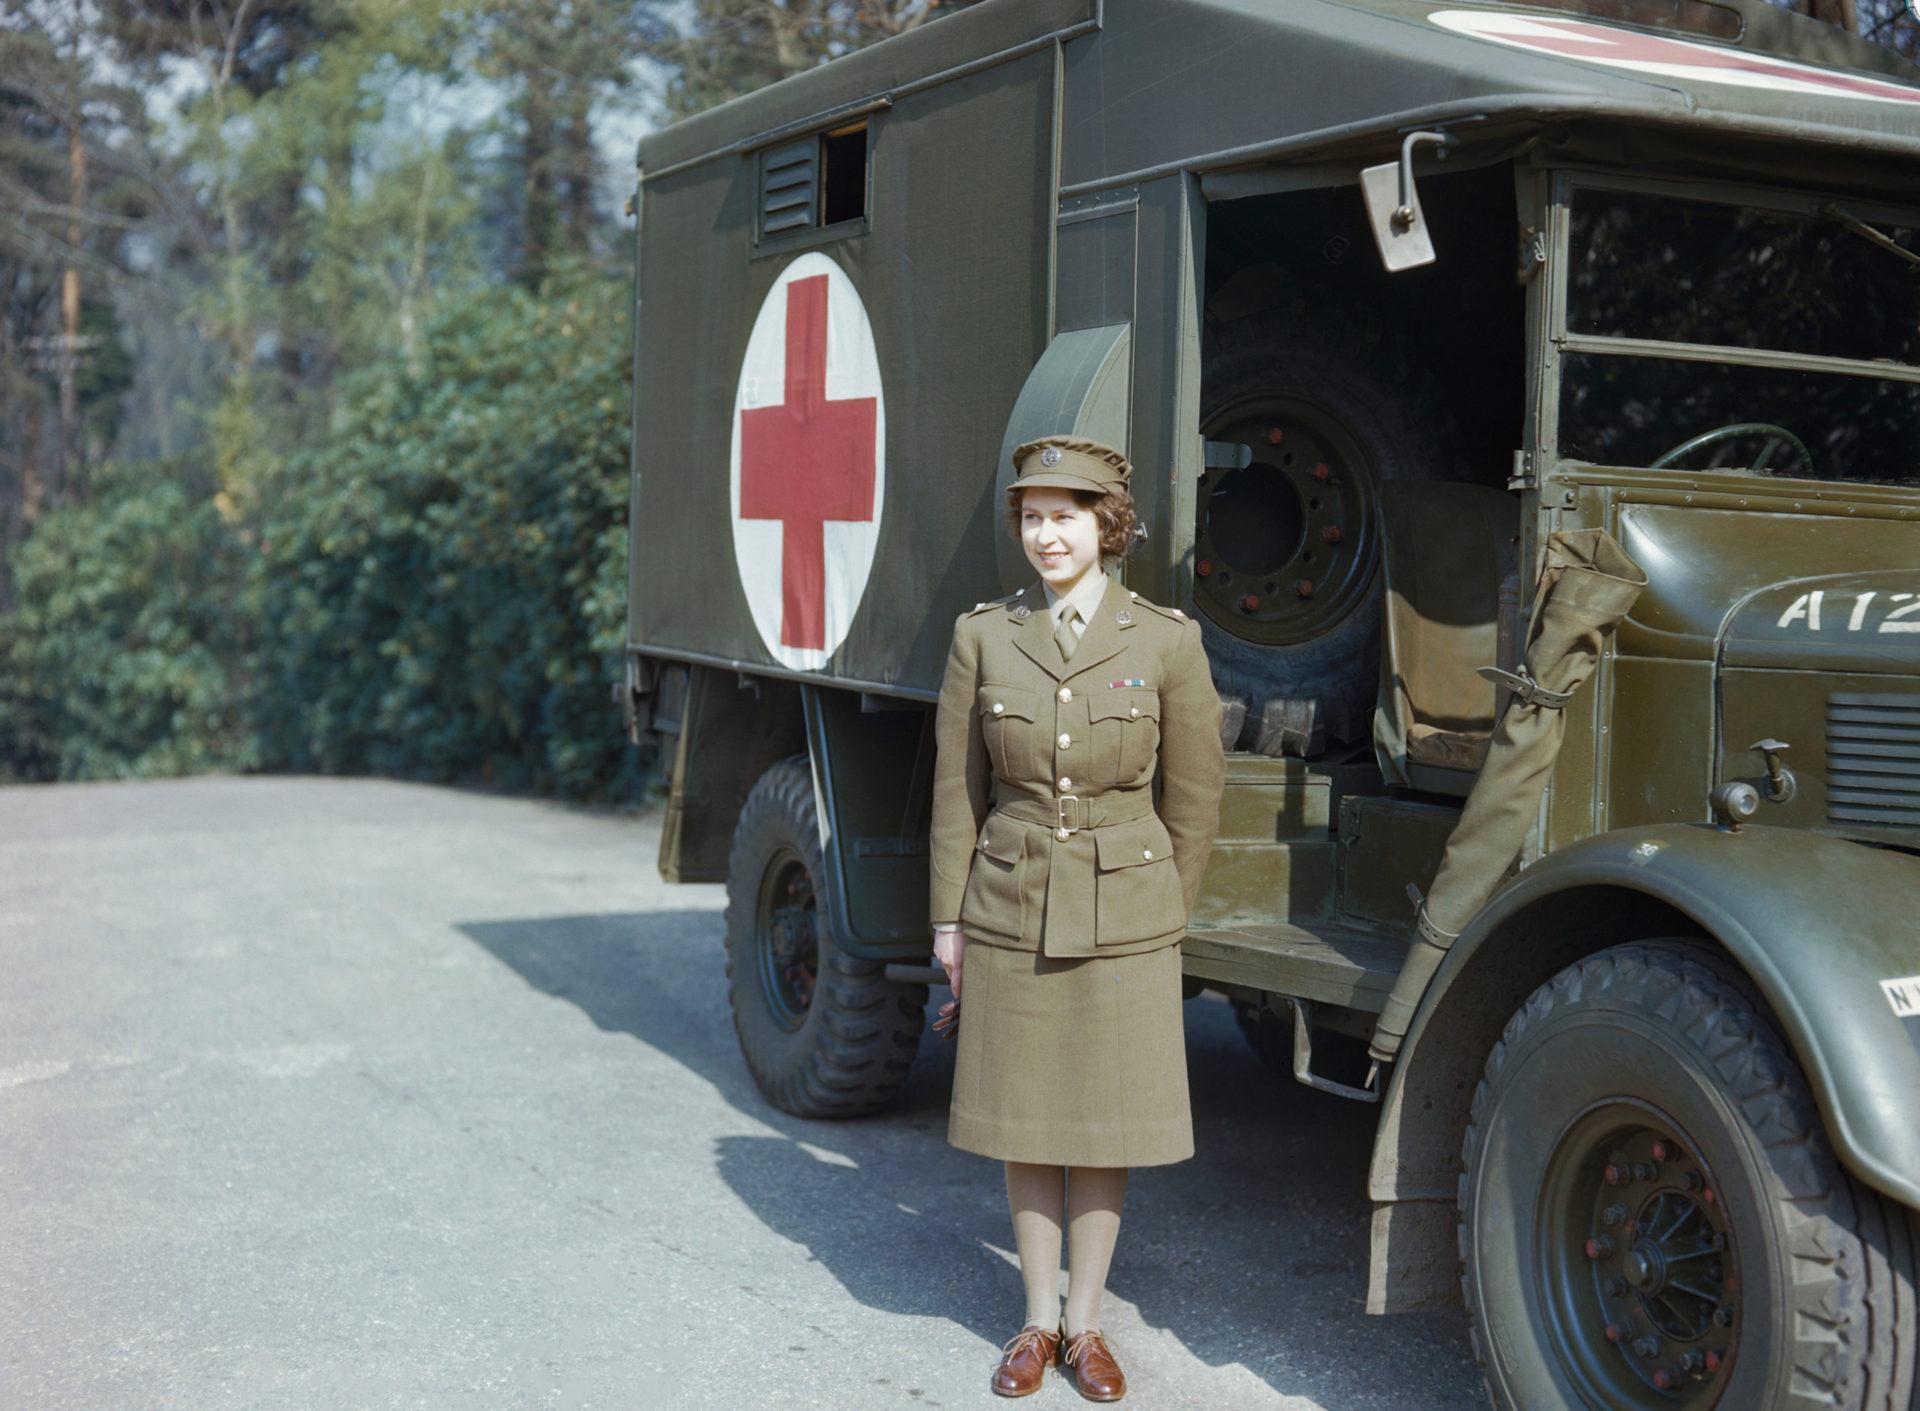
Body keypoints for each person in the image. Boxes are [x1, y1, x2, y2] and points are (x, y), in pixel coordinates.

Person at [928, 435, 1226, 1401]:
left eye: (1065, 517)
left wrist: (1163, 907)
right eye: (1031, 517)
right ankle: (1036, 1320)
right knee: (1027, 1114)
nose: (1046, 535)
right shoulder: (985, 635)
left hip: (1125, 909)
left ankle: (1087, 1324)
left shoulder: (1165, 640)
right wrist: (948, 924)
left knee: (1105, 1122)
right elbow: (956, 793)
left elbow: (1196, 795)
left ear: (1108, 525)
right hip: (1010, 900)